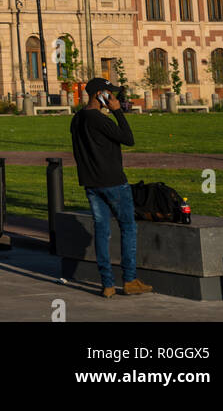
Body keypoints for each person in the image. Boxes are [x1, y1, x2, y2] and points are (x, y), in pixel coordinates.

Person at [70, 77, 154, 298]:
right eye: (111, 93)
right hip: (113, 182)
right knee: (128, 227)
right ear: (100, 95)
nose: (114, 97)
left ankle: (107, 284)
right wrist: (117, 112)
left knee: (102, 231)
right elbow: (128, 139)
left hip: (90, 183)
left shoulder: (77, 119)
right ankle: (129, 279)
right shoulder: (99, 119)